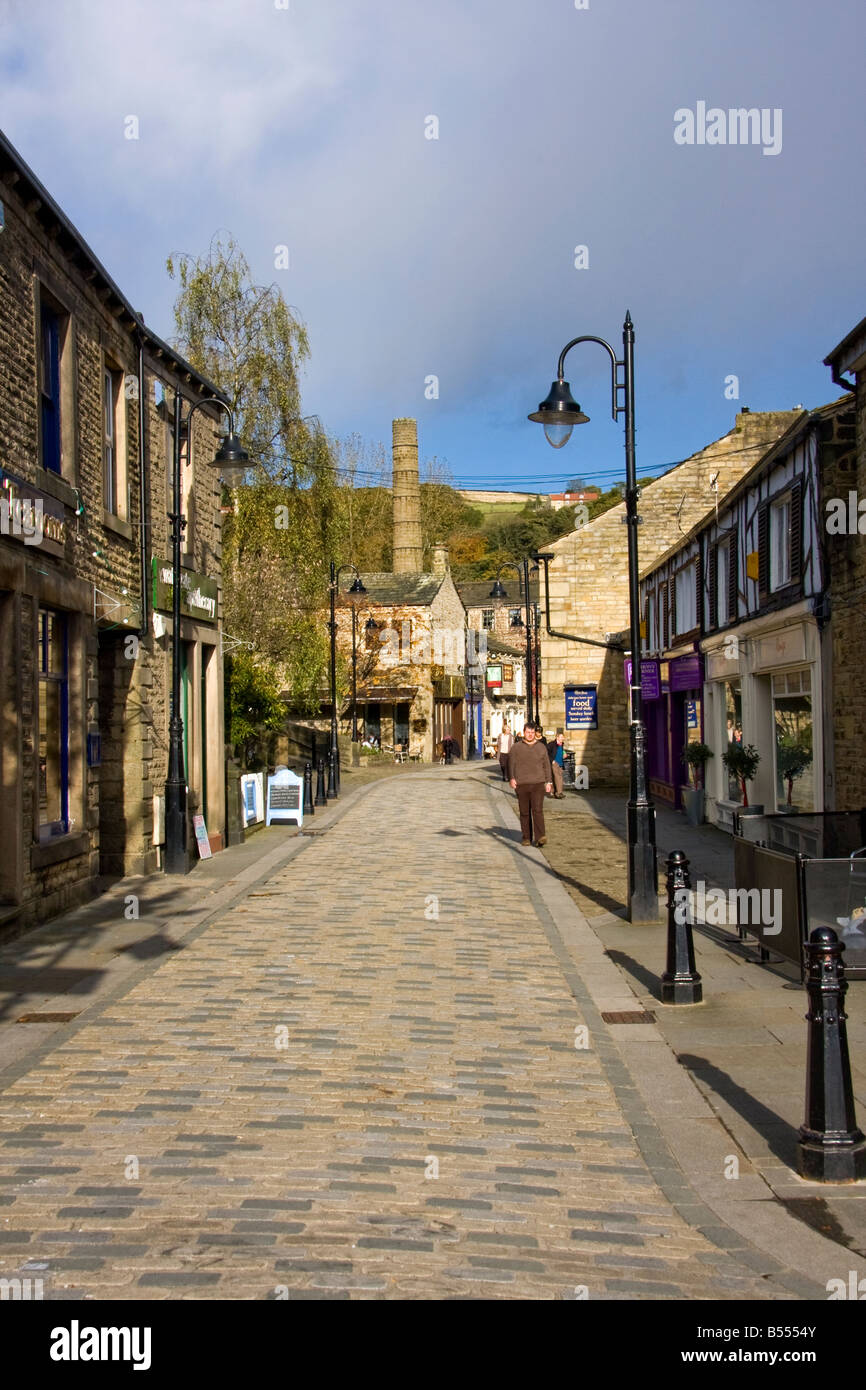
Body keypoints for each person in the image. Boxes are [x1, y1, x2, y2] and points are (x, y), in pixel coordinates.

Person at [508, 721, 553, 847]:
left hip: (538, 783)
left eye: (532, 733)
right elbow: (511, 764)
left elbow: (547, 765)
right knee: (524, 812)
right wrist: (512, 778)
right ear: (524, 732)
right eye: (528, 732)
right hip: (522, 784)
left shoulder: (541, 747)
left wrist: (548, 781)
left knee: (537, 810)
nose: (530, 735)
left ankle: (540, 837)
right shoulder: (516, 747)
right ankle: (526, 837)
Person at [550, 731, 566, 797]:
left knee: (557, 777)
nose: (562, 738)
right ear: (557, 737)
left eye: (563, 737)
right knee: (558, 777)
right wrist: (552, 760)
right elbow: (546, 752)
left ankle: (553, 792)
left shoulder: (561, 744)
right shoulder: (552, 744)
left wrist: (564, 753)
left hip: (561, 763)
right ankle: (559, 793)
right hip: (555, 763)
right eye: (561, 737)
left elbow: (560, 751)